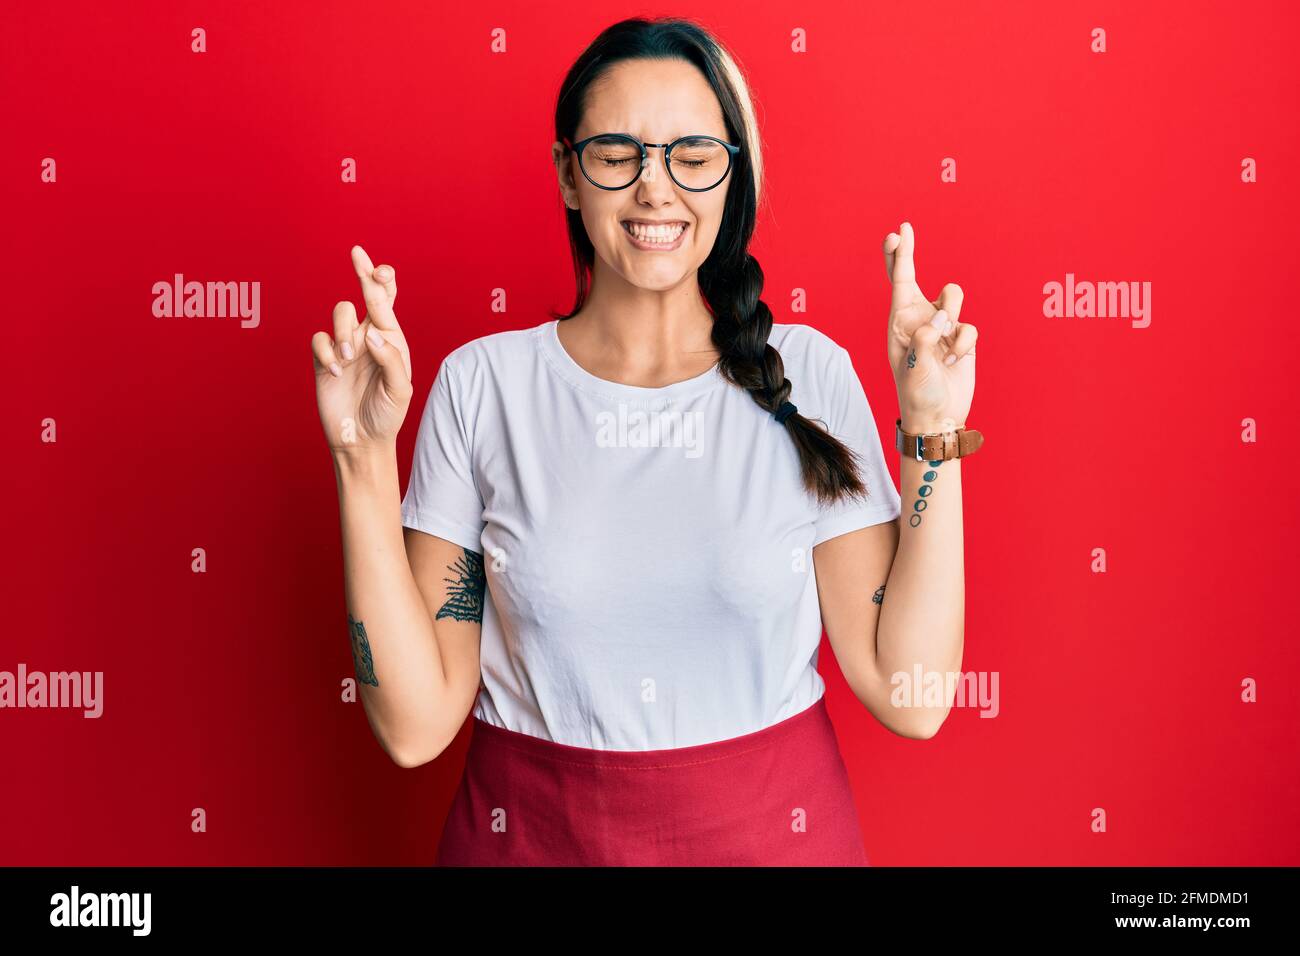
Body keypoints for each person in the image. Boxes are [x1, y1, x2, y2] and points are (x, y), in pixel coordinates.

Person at [311, 16, 981, 866]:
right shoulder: (483, 386)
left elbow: (909, 694)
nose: (656, 191)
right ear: (567, 174)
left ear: (729, 177)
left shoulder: (810, 375)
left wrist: (931, 429)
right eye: (617, 155)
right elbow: (411, 728)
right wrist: (360, 458)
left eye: (693, 156)